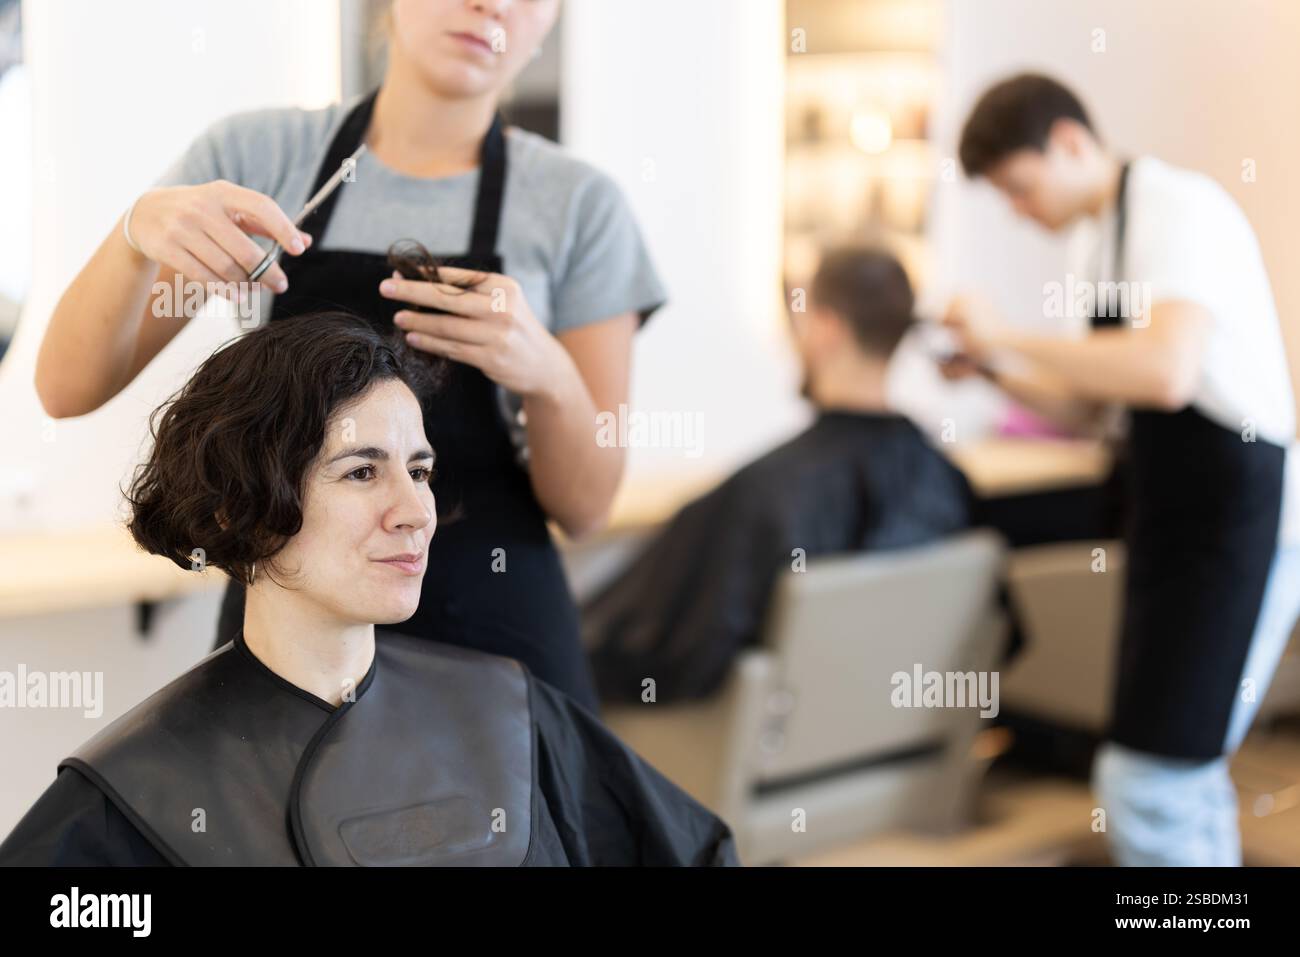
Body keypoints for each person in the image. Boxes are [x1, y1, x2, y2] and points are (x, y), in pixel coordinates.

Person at [33, 0, 665, 712]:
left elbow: (584, 509)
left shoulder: (581, 207)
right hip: (291, 652)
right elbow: (65, 387)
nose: (493, 5)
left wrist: (548, 374)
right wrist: (134, 232)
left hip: (496, 643)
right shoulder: (263, 158)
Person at [0, 314, 737, 867]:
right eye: (361, 471)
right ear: (241, 510)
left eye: (418, 470)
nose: (415, 510)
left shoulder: (513, 714)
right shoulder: (133, 794)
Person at [946, 73, 1300, 865]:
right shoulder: (1096, 239)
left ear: (1070, 142)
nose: (1018, 209)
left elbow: (1165, 370)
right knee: (1183, 773)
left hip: (1237, 510)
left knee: (1153, 781)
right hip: (1174, 514)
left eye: (1020, 187)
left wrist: (1008, 333)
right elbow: (1089, 409)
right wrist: (992, 365)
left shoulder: (1180, 206)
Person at [585, 247, 973, 703]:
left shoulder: (761, 492)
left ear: (826, 328)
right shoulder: (943, 477)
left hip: (733, 745)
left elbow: (670, 657)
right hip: (877, 725)